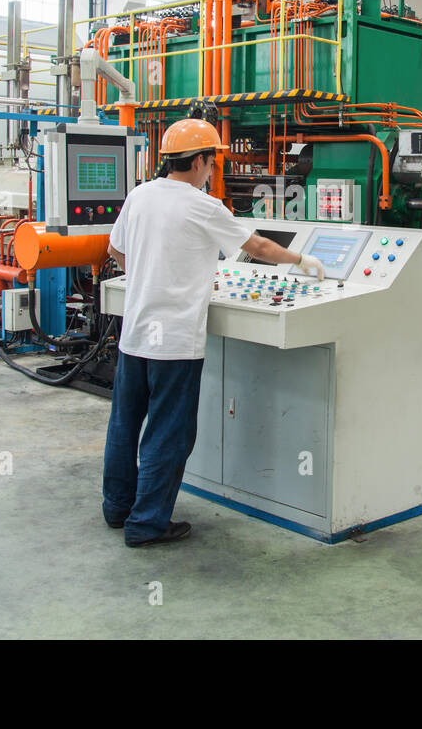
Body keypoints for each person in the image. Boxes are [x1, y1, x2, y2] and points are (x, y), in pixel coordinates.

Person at [103, 118, 325, 547]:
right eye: (211, 161)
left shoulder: (140, 196)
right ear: (201, 160)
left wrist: (155, 275)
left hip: (136, 335)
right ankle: (147, 524)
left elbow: (116, 249)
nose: (211, 170)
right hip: (175, 343)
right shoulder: (203, 206)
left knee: (125, 425)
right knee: (169, 433)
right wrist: (301, 260)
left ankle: (117, 509)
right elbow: (256, 247)